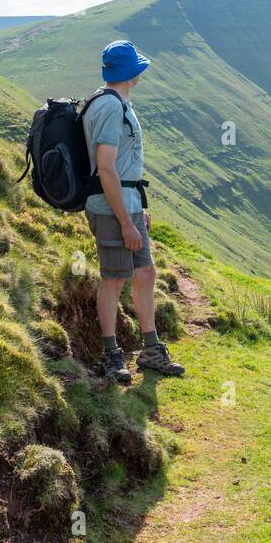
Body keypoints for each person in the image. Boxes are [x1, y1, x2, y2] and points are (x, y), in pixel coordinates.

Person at [83, 39, 184, 383]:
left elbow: (124, 167)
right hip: (112, 209)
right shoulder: (111, 107)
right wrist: (126, 222)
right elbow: (107, 168)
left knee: (145, 272)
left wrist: (138, 211)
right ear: (133, 73)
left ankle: (151, 350)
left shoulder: (113, 102)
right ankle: (112, 355)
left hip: (128, 206)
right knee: (113, 279)